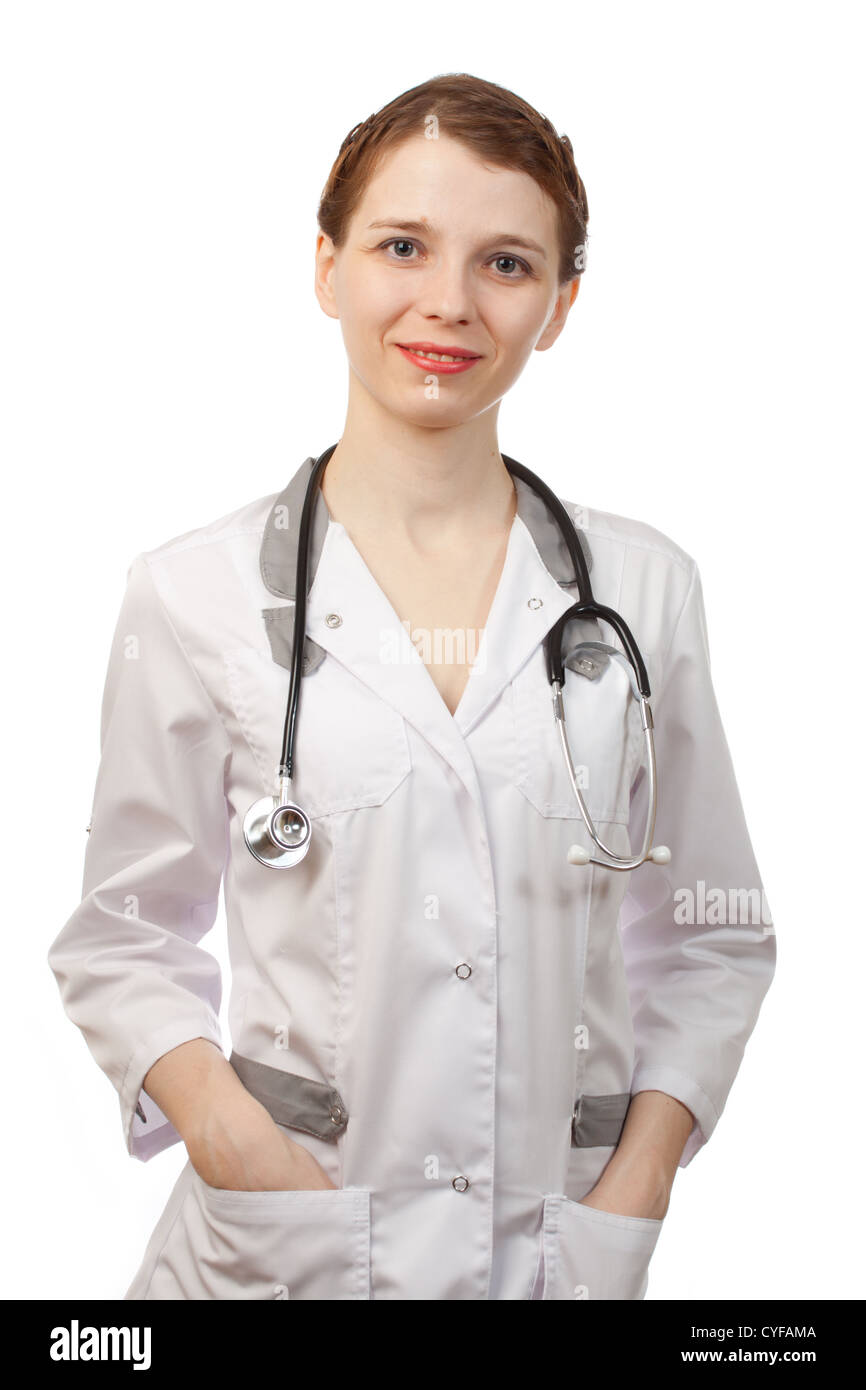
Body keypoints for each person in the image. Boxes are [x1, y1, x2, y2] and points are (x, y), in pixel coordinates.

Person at [47, 72, 775, 1301]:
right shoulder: (192, 594)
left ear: (558, 306)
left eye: (504, 263)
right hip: (279, 1256)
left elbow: (712, 933)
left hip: (551, 1256)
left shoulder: (645, 596)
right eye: (402, 246)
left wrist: (638, 1177)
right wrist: (234, 1144)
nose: (446, 302)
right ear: (325, 267)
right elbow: (121, 937)